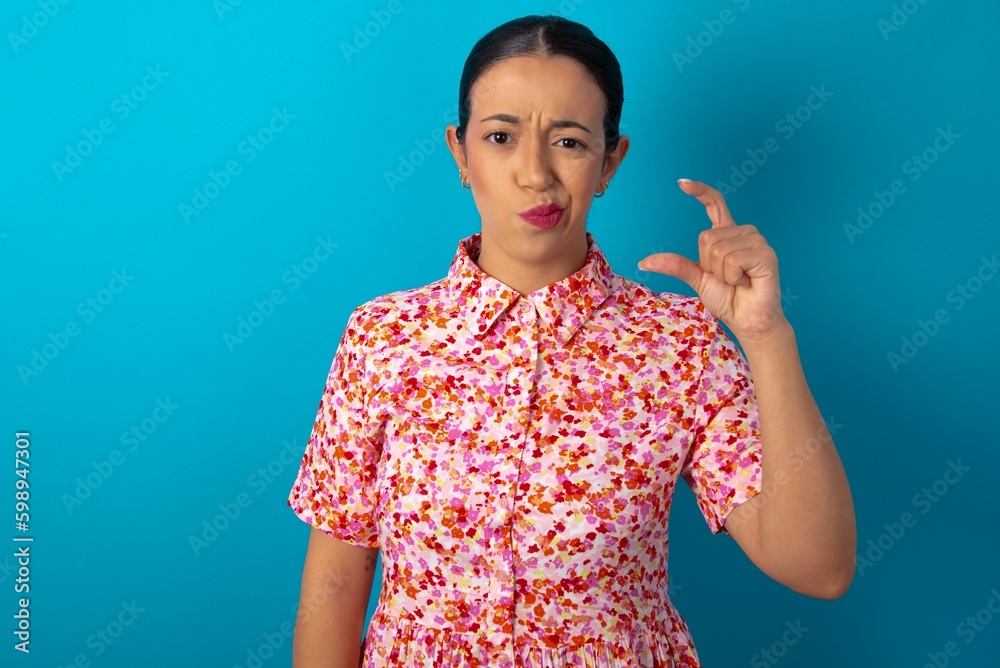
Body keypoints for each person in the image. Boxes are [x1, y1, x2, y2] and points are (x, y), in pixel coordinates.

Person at [287, 14, 856, 668]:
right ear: (460, 152)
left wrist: (766, 335)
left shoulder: (683, 345)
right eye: (501, 137)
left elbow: (820, 568)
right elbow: (335, 588)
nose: (535, 174)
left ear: (610, 161)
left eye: (569, 141)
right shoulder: (382, 338)